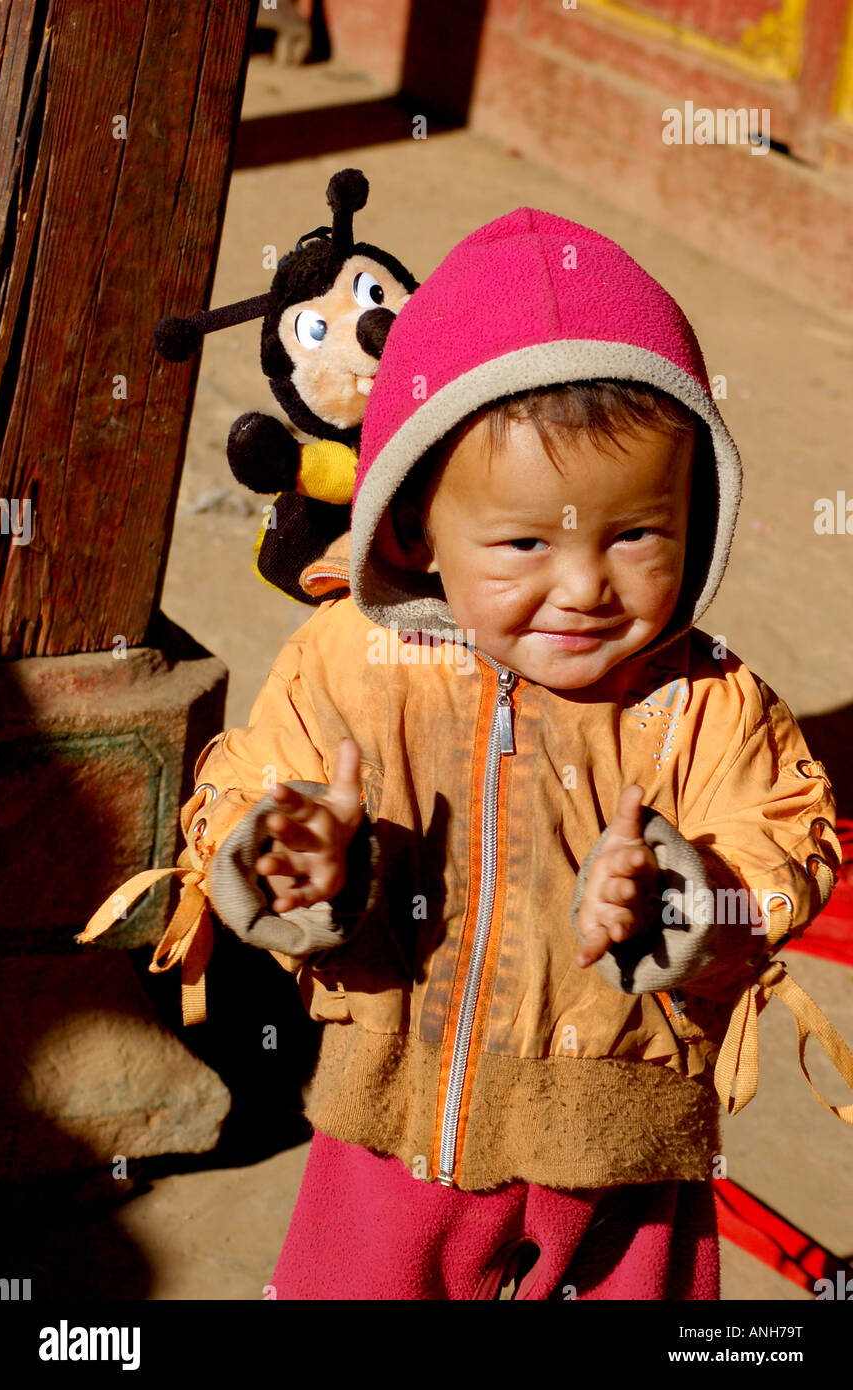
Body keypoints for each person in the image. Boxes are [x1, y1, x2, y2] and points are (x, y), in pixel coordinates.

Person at [169, 209, 847, 1300]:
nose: (584, 586)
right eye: (527, 541)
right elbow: (249, 783)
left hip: (619, 1166)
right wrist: (285, 857)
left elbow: (781, 847)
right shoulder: (350, 663)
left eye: (635, 533)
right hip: (388, 1138)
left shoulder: (708, 702)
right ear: (414, 525)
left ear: (697, 509)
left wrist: (686, 901)